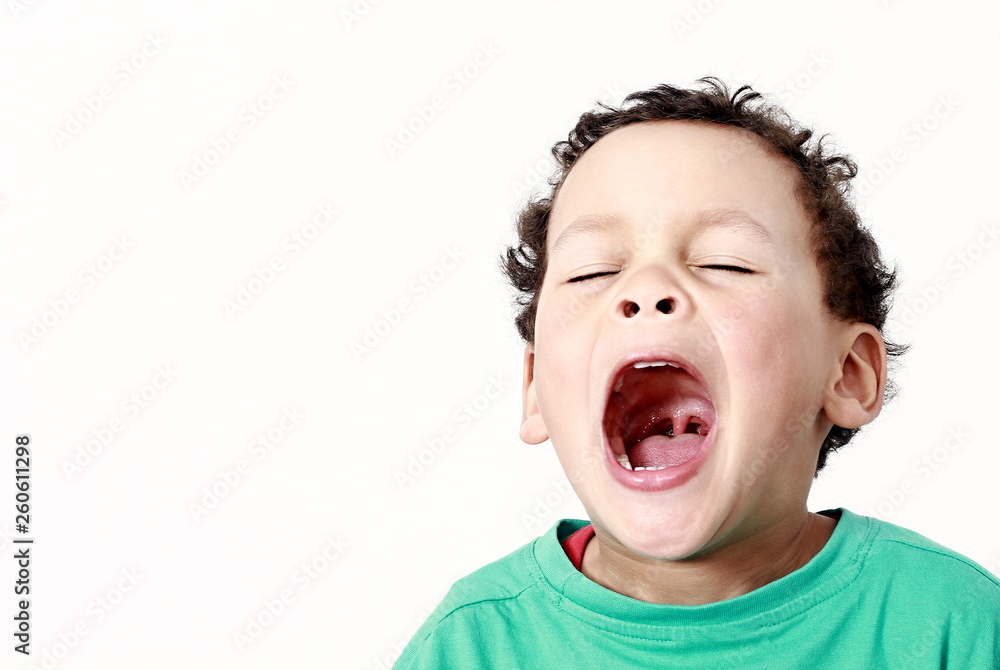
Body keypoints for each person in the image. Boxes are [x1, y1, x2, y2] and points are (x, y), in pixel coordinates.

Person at [394, 78, 1000, 668]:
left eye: (724, 263)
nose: (647, 291)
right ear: (535, 391)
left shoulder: (953, 625)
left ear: (846, 374)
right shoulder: (472, 646)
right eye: (592, 272)